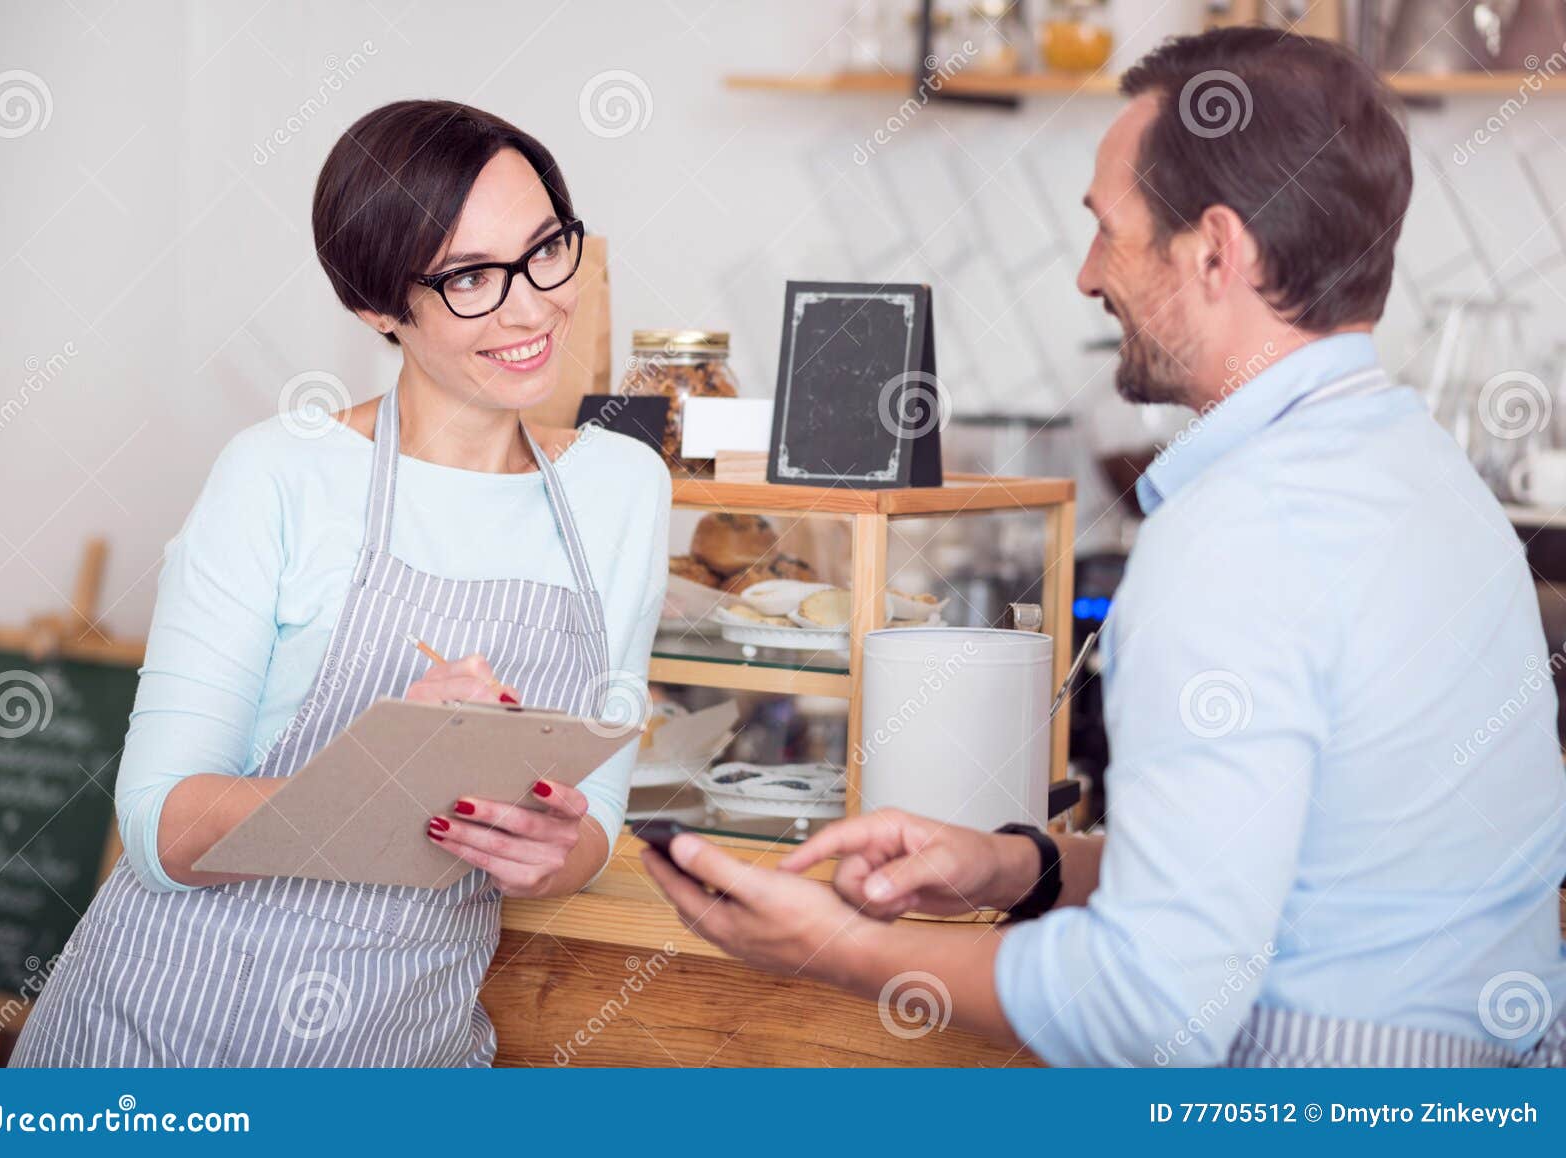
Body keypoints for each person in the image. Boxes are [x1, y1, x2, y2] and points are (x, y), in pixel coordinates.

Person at [644, 28, 1566, 1067]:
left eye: (1109, 230)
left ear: (1216, 249)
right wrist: (1017, 867)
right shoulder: (1429, 476)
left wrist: (834, 944)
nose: (1087, 275)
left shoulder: (1238, 536)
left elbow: (1147, 1009)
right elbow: (1297, 880)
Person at [13, 100, 670, 1067]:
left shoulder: (622, 491)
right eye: (471, 278)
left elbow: (593, 820)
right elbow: (159, 827)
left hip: (407, 1048)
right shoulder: (281, 472)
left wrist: (550, 855)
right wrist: (378, 773)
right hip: (168, 1037)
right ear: (377, 309)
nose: (531, 307)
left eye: (545, 251)